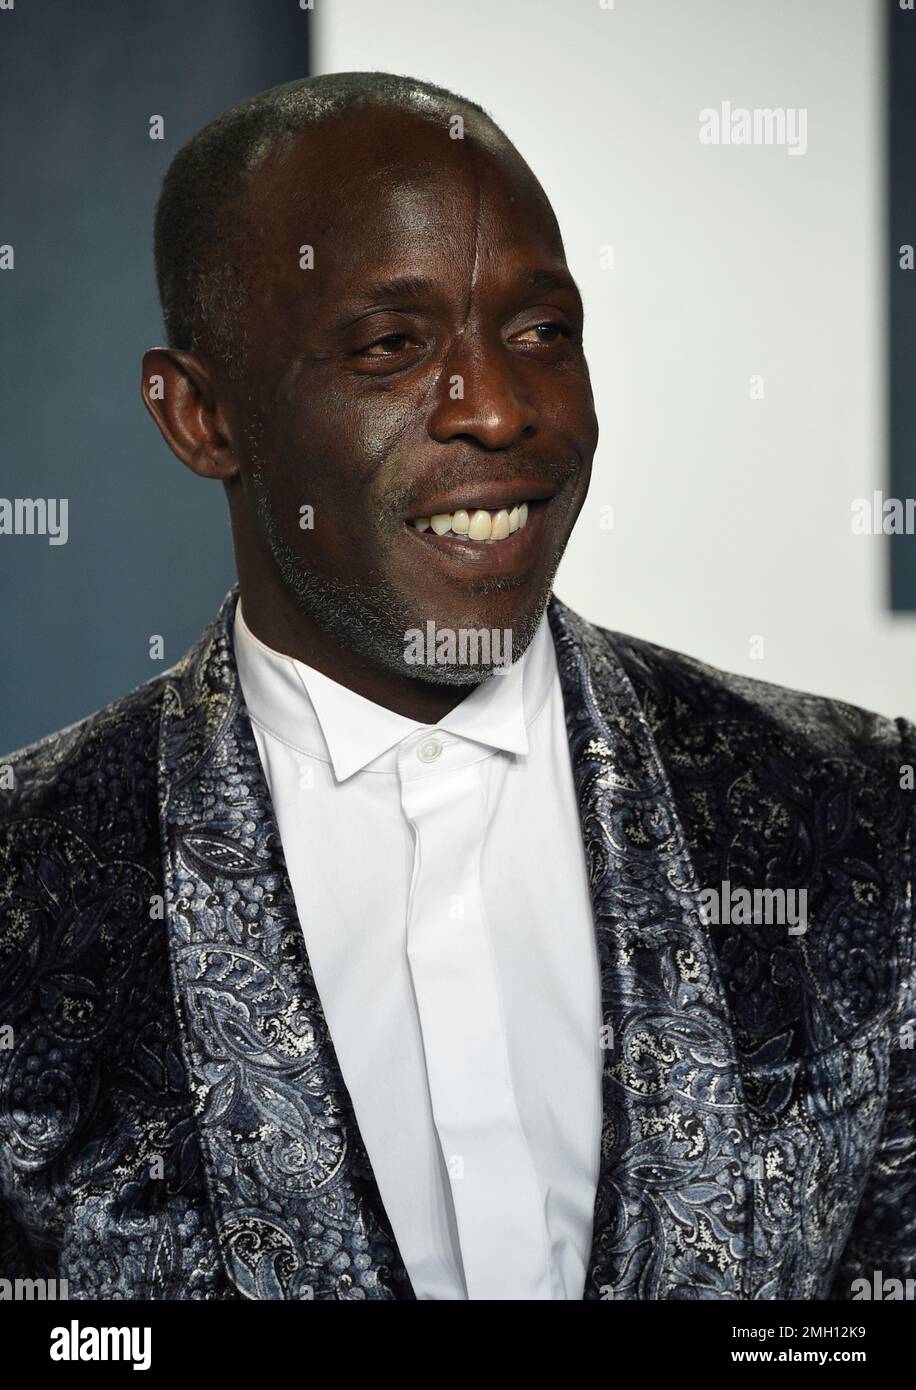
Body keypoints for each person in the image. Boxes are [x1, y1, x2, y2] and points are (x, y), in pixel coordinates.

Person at [0, 72, 913, 1302]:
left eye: (541, 331)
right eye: (393, 345)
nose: (498, 408)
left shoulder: (862, 814)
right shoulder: (27, 886)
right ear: (201, 416)